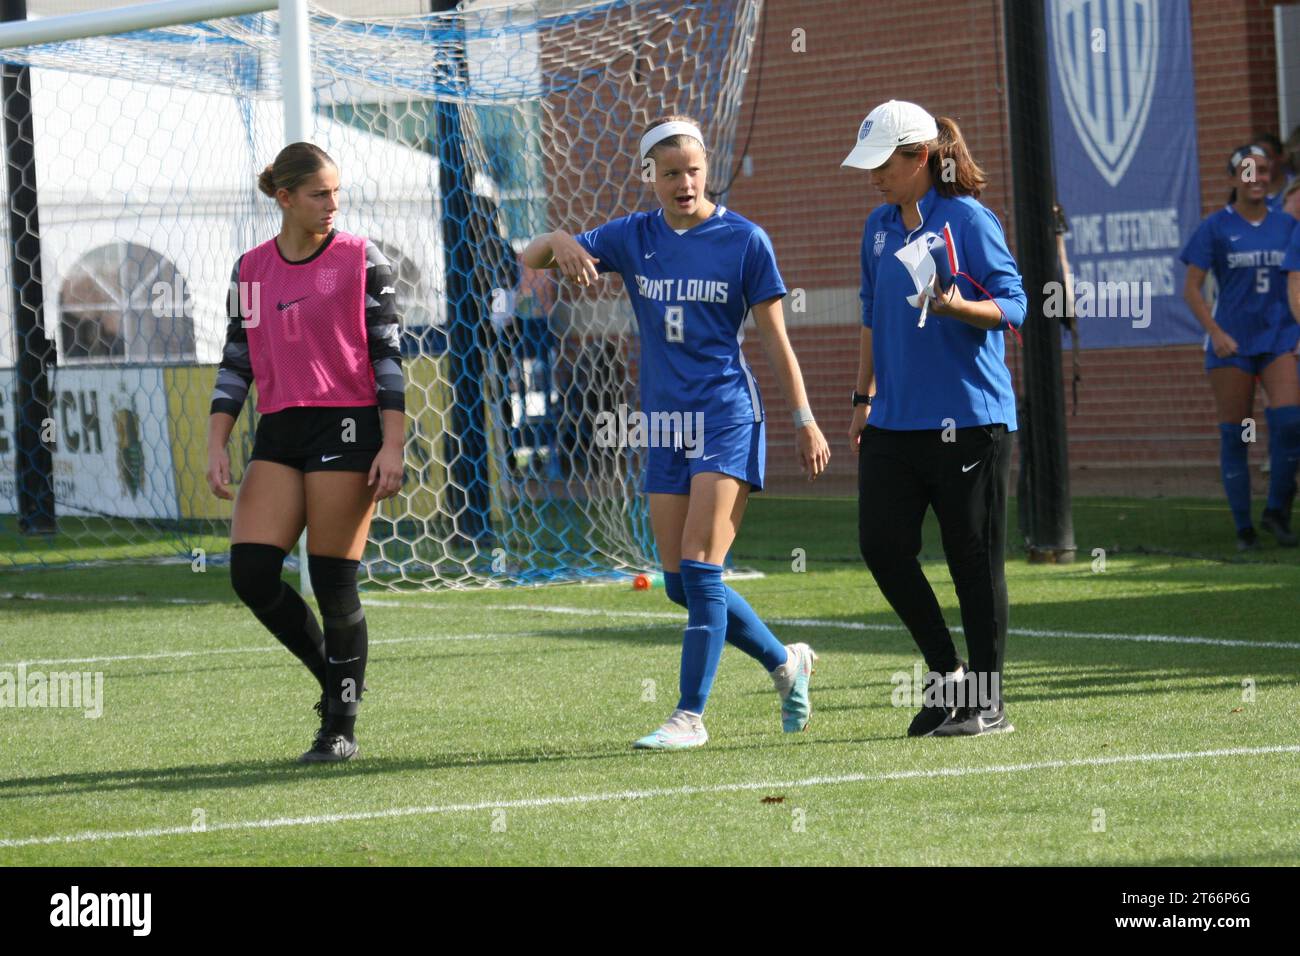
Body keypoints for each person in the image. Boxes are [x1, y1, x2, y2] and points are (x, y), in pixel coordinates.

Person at [522, 115, 831, 750]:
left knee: (702, 567)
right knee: (677, 584)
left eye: (692, 170)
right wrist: (560, 237)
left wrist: (804, 419)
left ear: (706, 170)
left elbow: (775, 340)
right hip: (665, 424)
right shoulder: (632, 236)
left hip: (726, 415)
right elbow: (528, 257)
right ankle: (785, 661)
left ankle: (690, 716)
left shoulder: (745, 240)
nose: (683, 182)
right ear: (650, 179)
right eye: (669, 174)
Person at [207, 142, 406, 762]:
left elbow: (388, 357)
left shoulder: (359, 258)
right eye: (320, 194)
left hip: (347, 428)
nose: (332, 205)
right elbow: (237, 359)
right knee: (252, 573)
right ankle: (337, 682)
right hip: (279, 430)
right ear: (285, 197)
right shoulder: (250, 270)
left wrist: (393, 443)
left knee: (331, 581)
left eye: (336, 193)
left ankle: (338, 729)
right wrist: (217, 439)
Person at [843, 100, 1026, 737]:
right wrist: (863, 400)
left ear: (920, 157)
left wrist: (957, 307)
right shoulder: (876, 226)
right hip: (893, 423)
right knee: (881, 546)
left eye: (884, 164)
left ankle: (988, 700)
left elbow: (1016, 305)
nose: (874, 177)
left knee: (971, 560)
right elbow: (871, 315)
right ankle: (948, 676)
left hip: (970, 420)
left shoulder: (968, 218)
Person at [1181, 144, 1300, 549]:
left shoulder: (1286, 225)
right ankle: (1243, 528)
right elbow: (1192, 289)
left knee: (1289, 424)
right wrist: (1215, 331)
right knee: (1239, 434)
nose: (1257, 178)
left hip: (1278, 339)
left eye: (1264, 171)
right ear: (1233, 179)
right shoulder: (1216, 227)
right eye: (1248, 171)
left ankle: (1277, 511)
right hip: (1233, 344)